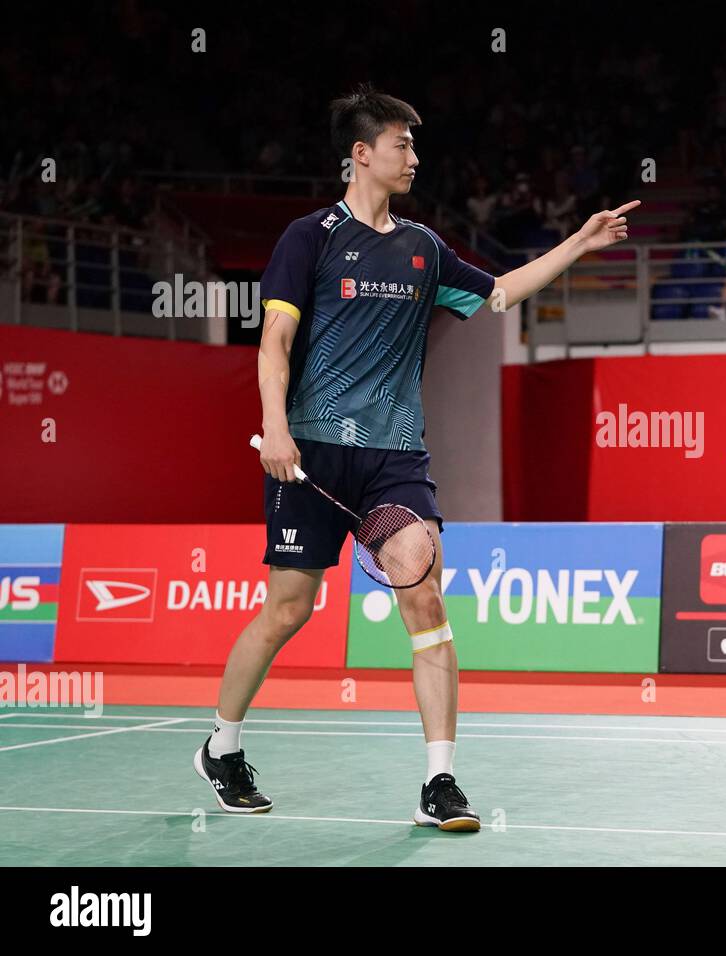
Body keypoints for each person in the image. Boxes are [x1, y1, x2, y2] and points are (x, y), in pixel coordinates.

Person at [195, 85, 638, 830]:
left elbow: (499, 294)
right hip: (309, 451)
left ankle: (440, 780)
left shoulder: (423, 248)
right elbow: (275, 340)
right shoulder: (309, 238)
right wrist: (274, 426)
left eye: (413, 145)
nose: (414, 158)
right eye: (402, 144)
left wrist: (576, 245)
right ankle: (222, 746)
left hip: (394, 458)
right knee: (288, 609)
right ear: (361, 153)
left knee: (425, 600)